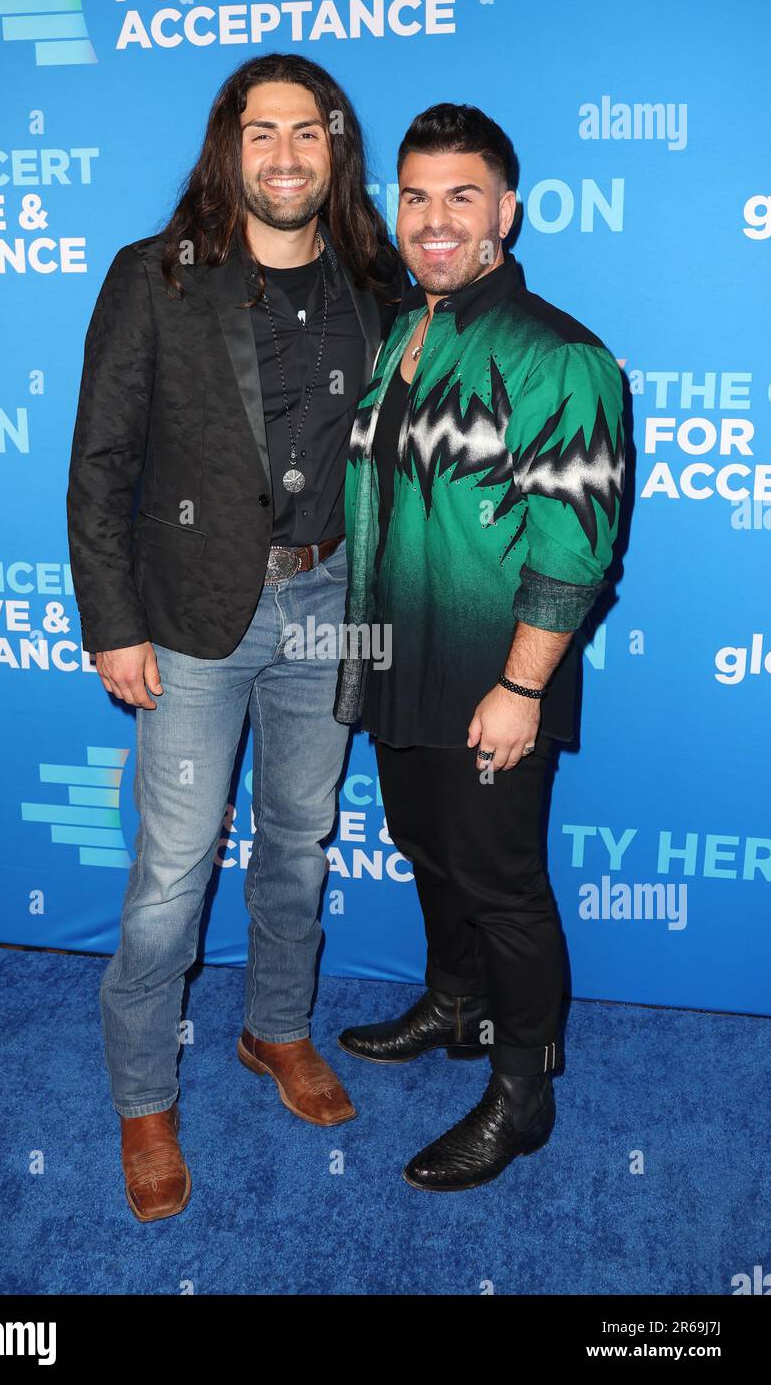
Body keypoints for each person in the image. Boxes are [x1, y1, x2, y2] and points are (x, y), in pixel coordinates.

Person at [67, 52, 407, 1223]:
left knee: (300, 838)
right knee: (170, 871)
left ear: (335, 148)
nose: (282, 156)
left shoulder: (376, 282)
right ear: (228, 146)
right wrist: (112, 624)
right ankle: (144, 1095)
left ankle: (274, 1030)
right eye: (260, 132)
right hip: (194, 619)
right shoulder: (151, 278)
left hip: (330, 603)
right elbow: (100, 466)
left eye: (305, 133)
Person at [335, 104, 625, 1192]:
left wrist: (518, 687)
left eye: (462, 195)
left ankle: (523, 1089)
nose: (435, 218)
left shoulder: (558, 354)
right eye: (414, 196)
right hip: (393, 667)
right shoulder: (401, 332)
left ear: (506, 208)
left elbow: (572, 551)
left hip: (493, 677)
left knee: (500, 884)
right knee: (426, 847)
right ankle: (451, 1005)